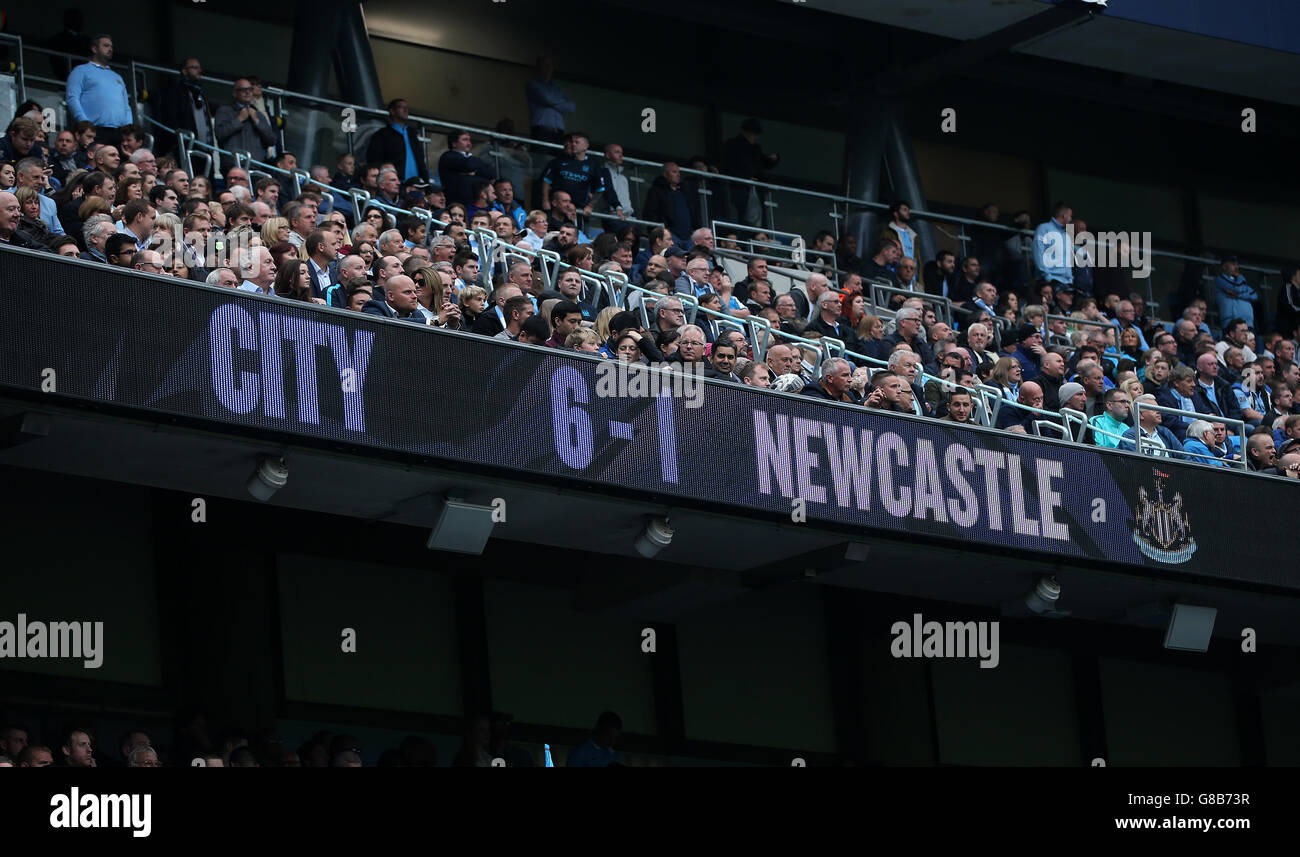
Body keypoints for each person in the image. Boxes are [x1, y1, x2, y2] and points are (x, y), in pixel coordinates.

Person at [65, 35, 133, 148]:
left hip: (119, 133)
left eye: (112, 47)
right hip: (94, 130)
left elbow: (126, 106)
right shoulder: (81, 70)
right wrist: (85, 123)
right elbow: (72, 98)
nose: (110, 49)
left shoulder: (118, 77)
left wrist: (128, 128)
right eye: (106, 45)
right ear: (94, 49)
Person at [214, 79, 276, 172]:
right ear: (235, 93)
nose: (247, 92)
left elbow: (272, 140)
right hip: (232, 164)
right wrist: (239, 119)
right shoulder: (224, 111)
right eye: (243, 90)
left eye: (250, 89)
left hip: (254, 166)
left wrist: (257, 121)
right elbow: (220, 133)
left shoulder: (258, 115)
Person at [366, 98, 429, 183]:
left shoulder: (412, 133)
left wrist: (426, 179)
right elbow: (374, 160)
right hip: (395, 183)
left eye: (406, 107)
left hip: (417, 183)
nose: (405, 110)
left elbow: (420, 158)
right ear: (392, 111)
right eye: (401, 107)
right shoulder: (382, 135)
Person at [526, 57, 574, 143]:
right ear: (539, 67)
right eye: (545, 65)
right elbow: (547, 99)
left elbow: (571, 107)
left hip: (559, 132)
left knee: (556, 156)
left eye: (550, 65)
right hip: (541, 131)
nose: (548, 68)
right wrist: (561, 102)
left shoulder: (558, 89)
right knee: (541, 156)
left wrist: (553, 102)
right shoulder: (533, 84)